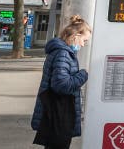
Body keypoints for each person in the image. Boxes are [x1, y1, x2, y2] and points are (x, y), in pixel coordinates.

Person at [31, 15, 91, 149]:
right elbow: (62, 85)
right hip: (59, 113)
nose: (83, 44)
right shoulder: (63, 54)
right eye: (84, 40)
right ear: (76, 36)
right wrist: (83, 74)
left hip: (56, 112)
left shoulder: (62, 52)